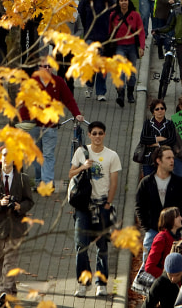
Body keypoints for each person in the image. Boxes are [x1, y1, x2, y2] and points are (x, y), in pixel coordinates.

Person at [69, 120, 121, 297]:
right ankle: (83, 283)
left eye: (100, 133)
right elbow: (70, 173)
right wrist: (83, 167)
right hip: (83, 206)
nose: (97, 136)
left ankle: (101, 283)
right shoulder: (81, 152)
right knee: (81, 246)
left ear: (104, 135)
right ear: (89, 135)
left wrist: (108, 203)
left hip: (102, 205)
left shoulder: (112, 155)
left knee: (102, 246)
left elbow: (114, 182)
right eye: (94, 133)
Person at [19, 53, 84, 186]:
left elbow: (69, 99)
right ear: (39, 67)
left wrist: (76, 113)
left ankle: (47, 183)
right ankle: (39, 180)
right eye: (45, 66)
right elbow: (23, 103)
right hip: (34, 126)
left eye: (50, 66)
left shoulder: (58, 82)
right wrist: (25, 122)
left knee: (48, 155)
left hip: (50, 126)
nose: (47, 68)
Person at [0, 148, 34, 301]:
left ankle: (3, 291)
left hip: (16, 227)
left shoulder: (23, 179)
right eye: (4, 156)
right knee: (1, 260)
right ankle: (11, 291)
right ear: (0, 159)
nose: (6, 158)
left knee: (11, 259)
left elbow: (30, 201)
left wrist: (19, 206)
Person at [135, 146, 182, 263]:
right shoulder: (146, 183)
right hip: (153, 231)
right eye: (168, 158)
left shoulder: (179, 183)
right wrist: (147, 227)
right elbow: (140, 206)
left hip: (175, 232)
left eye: (173, 158)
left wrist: (179, 226)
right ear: (158, 161)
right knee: (148, 264)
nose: (172, 161)